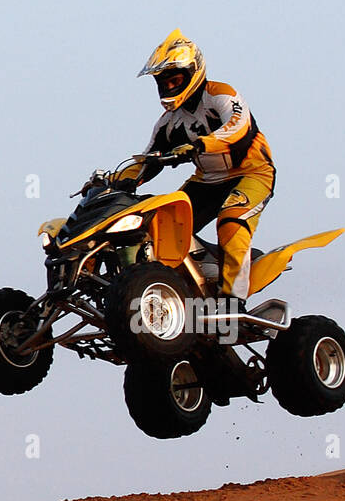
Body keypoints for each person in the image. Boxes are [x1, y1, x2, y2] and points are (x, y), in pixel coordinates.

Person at [115, 29, 276, 308]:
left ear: (193, 72)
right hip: (206, 180)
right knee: (159, 223)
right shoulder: (169, 122)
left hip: (251, 173)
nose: (168, 88)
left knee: (232, 221)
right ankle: (185, 286)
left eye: (175, 80)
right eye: (163, 83)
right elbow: (146, 160)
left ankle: (232, 302)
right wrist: (115, 181)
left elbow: (238, 127)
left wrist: (201, 145)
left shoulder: (221, 95)